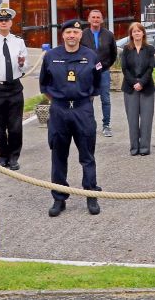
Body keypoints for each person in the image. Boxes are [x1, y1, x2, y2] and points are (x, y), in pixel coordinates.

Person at [40, 20, 103, 217]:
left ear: (80, 35)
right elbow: (44, 85)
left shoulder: (91, 56)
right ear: (63, 35)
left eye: (75, 32)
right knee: (58, 156)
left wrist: (80, 100)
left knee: (87, 156)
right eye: (68, 32)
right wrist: (61, 101)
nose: (72, 36)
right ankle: (59, 198)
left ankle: (91, 194)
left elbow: (97, 83)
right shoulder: (51, 56)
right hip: (59, 112)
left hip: (83, 110)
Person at [0, 7, 29, 170]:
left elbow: (24, 67)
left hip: (14, 87)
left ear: (11, 22)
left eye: (6, 20)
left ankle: (14, 157)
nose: (3, 23)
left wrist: (22, 64)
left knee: (15, 127)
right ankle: (3, 156)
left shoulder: (19, 41)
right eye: (1, 20)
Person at [120, 22, 155, 156]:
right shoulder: (126, 49)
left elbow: (150, 68)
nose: (137, 33)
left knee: (146, 119)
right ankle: (134, 147)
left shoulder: (150, 49)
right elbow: (124, 68)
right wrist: (134, 83)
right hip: (130, 88)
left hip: (147, 88)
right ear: (131, 34)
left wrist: (141, 83)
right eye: (134, 31)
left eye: (139, 31)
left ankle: (145, 147)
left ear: (143, 33)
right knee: (132, 119)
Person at [80, 9, 117, 137]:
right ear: (89, 19)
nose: (96, 19)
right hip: (87, 73)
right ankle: (88, 124)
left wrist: (105, 66)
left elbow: (113, 54)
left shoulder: (108, 35)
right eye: (93, 17)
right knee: (88, 99)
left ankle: (106, 125)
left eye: (98, 17)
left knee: (105, 99)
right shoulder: (82, 34)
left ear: (102, 20)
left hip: (103, 72)